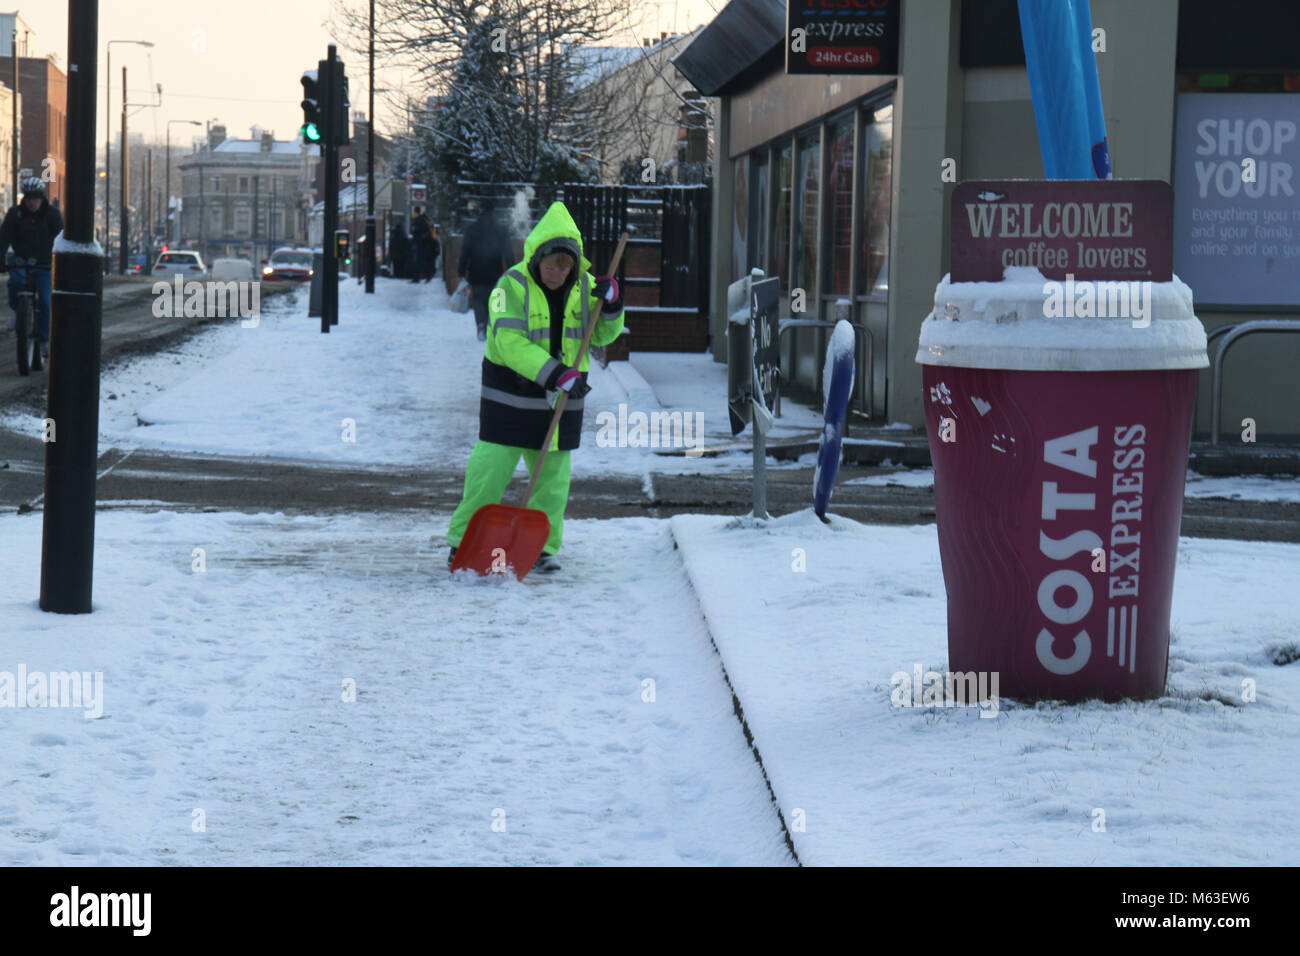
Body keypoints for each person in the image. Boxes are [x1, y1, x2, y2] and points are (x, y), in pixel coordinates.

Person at [446, 201, 625, 574]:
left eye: (565, 265)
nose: (557, 272)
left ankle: (543, 548)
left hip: (561, 398)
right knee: (489, 471)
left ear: (574, 264)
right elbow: (509, 343)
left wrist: (612, 306)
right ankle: (462, 541)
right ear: (537, 257)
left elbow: (603, 335)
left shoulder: (587, 286)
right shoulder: (509, 285)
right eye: (550, 264)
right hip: (510, 394)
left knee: (552, 478)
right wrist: (554, 372)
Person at [0, 178, 62, 365]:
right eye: (28, 198)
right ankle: (17, 311)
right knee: (15, 284)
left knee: (45, 299)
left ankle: (44, 340)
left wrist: (59, 262)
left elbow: (61, 238)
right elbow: (3, 239)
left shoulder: (52, 215)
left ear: (42, 199)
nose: (32, 202)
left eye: (35, 198)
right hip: (21, 260)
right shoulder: (15, 214)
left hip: (44, 264)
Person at [458, 208, 513, 342]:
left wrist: (461, 270)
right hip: (495, 271)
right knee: (495, 299)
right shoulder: (500, 229)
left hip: (476, 271)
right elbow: (508, 251)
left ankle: (481, 325)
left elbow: (465, 251)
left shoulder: (472, 229)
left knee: (478, 300)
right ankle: (493, 325)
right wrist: (512, 268)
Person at [409, 205, 435, 283]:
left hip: (419, 243)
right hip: (423, 243)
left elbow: (416, 231)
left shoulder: (418, 220)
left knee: (417, 261)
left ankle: (417, 277)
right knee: (422, 260)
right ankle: (426, 276)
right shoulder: (424, 220)